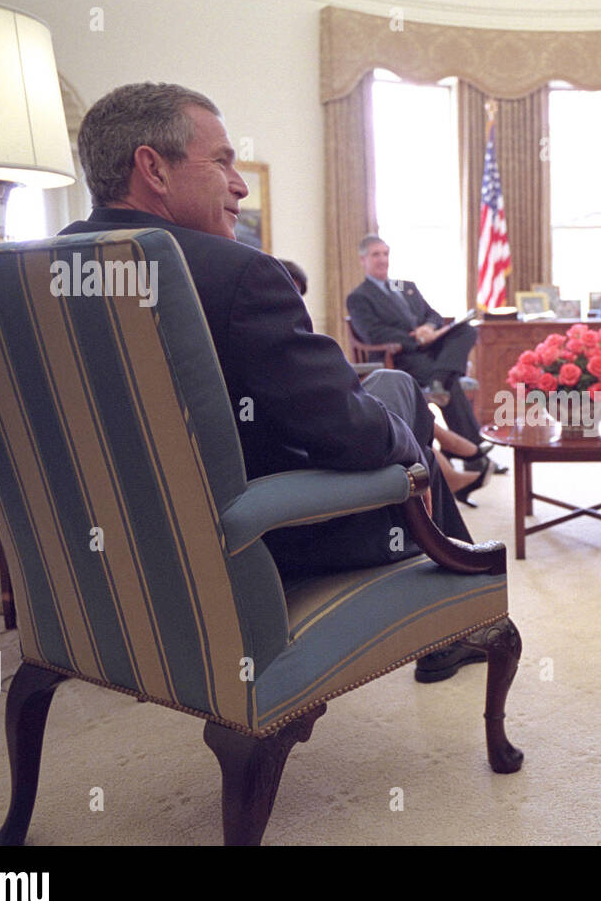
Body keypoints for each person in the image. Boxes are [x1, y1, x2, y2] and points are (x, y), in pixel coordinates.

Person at [63, 82, 485, 682]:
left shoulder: (38, 269)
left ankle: (457, 590)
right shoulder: (238, 275)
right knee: (397, 413)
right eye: (223, 163)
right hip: (255, 539)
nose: (238, 185)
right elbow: (350, 439)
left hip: (114, 548)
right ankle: (459, 609)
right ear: (152, 168)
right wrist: (411, 451)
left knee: (392, 390)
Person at [346, 236, 483, 448]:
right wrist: (417, 339)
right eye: (376, 255)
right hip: (399, 356)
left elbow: (434, 315)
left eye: (385, 253)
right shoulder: (360, 296)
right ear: (363, 260)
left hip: (429, 350)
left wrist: (428, 327)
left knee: (466, 330)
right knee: (451, 381)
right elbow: (373, 334)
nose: (382, 259)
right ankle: (474, 450)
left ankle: (439, 379)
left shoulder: (402, 285)